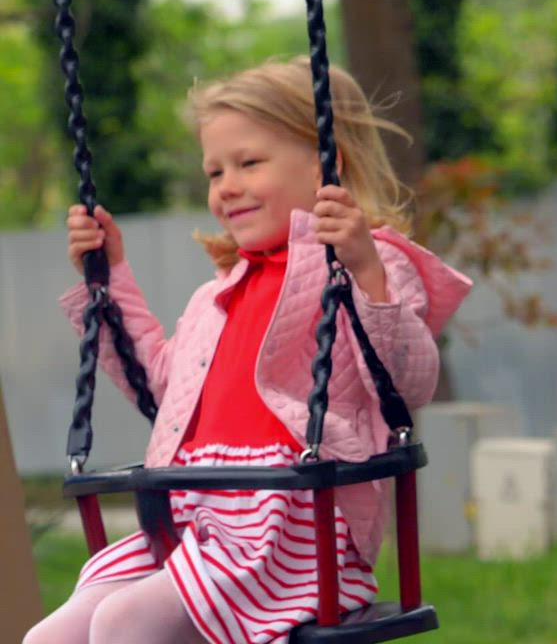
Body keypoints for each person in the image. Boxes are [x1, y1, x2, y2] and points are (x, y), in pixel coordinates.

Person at [25, 58, 472, 644]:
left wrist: (365, 269)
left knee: (122, 623)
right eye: (215, 171)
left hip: (293, 531)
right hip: (193, 522)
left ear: (327, 164)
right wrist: (109, 278)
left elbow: (407, 385)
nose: (226, 186)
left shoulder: (369, 265)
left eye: (249, 163)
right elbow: (161, 389)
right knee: (50, 636)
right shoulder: (219, 293)